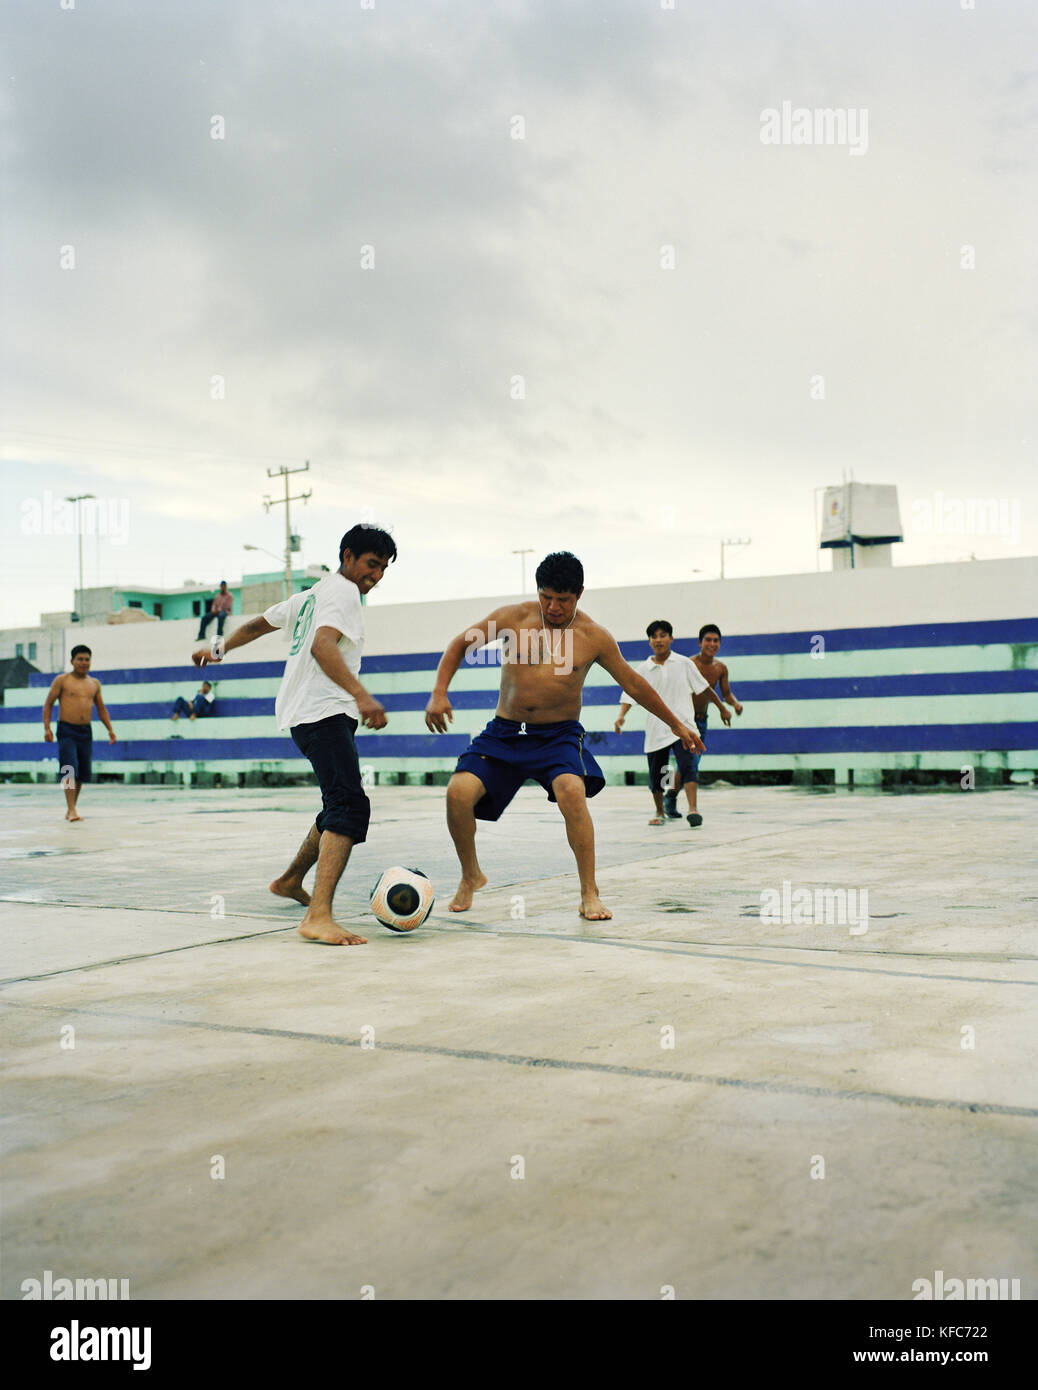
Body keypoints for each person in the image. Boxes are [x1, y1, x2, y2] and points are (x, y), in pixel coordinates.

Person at [424, 552, 704, 920]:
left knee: (572, 792)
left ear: (580, 594)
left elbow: (633, 683)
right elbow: (460, 644)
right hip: (506, 732)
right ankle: (470, 874)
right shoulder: (512, 618)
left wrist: (675, 723)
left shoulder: (594, 636)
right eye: (546, 597)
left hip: (558, 736)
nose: (553, 607)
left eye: (564, 600)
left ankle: (589, 892)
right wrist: (439, 691)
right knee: (458, 793)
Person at [192, 525, 396, 946]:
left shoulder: (312, 594)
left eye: (383, 569)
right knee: (349, 806)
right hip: (324, 711)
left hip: (301, 714)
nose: (375, 576)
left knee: (337, 802)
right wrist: (362, 697)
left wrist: (218, 650)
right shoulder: (342, 593)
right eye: (371, 565)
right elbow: (324, 647)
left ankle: (290, 880)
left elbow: (258, 625)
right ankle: (318, 916)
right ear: (347, 556)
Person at [613, 620, 730, 826]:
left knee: (688, 767)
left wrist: (722, 708)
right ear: (649, 641)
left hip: (684, 726)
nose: (658, 640)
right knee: (660, 771)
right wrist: (622, 716)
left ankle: (693, 809)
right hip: (657, 729)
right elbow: (631, 693)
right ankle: (660, 811)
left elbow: (704, 688)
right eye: (654, 636)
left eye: (663, 635)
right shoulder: (644, 669)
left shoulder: (684, 663)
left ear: (671, 638)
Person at [663, 623, 744, 824]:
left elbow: (725, 693)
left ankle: (670, 797)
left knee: (689, 764)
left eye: (716, 640)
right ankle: (687, 806)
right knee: (689, 764)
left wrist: (734, 704)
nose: (712, 644)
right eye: (708, 640)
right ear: (700, 643)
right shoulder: (689, 664)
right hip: (685, 721)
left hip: (702, 722)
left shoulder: (720, 668)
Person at [42, 645, 117, 821]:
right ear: (72, 661)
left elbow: (101, 708)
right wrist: (47, 728)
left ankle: (71, 809)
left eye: (87, 659)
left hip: (85, 731)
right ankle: (71, 809)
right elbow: (48, 704)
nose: (84, 663)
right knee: (69, 767)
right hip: (67, 729)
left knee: (82, 772)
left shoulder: (94, 684)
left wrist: (110, 730)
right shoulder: (62, 680)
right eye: (80, 659)